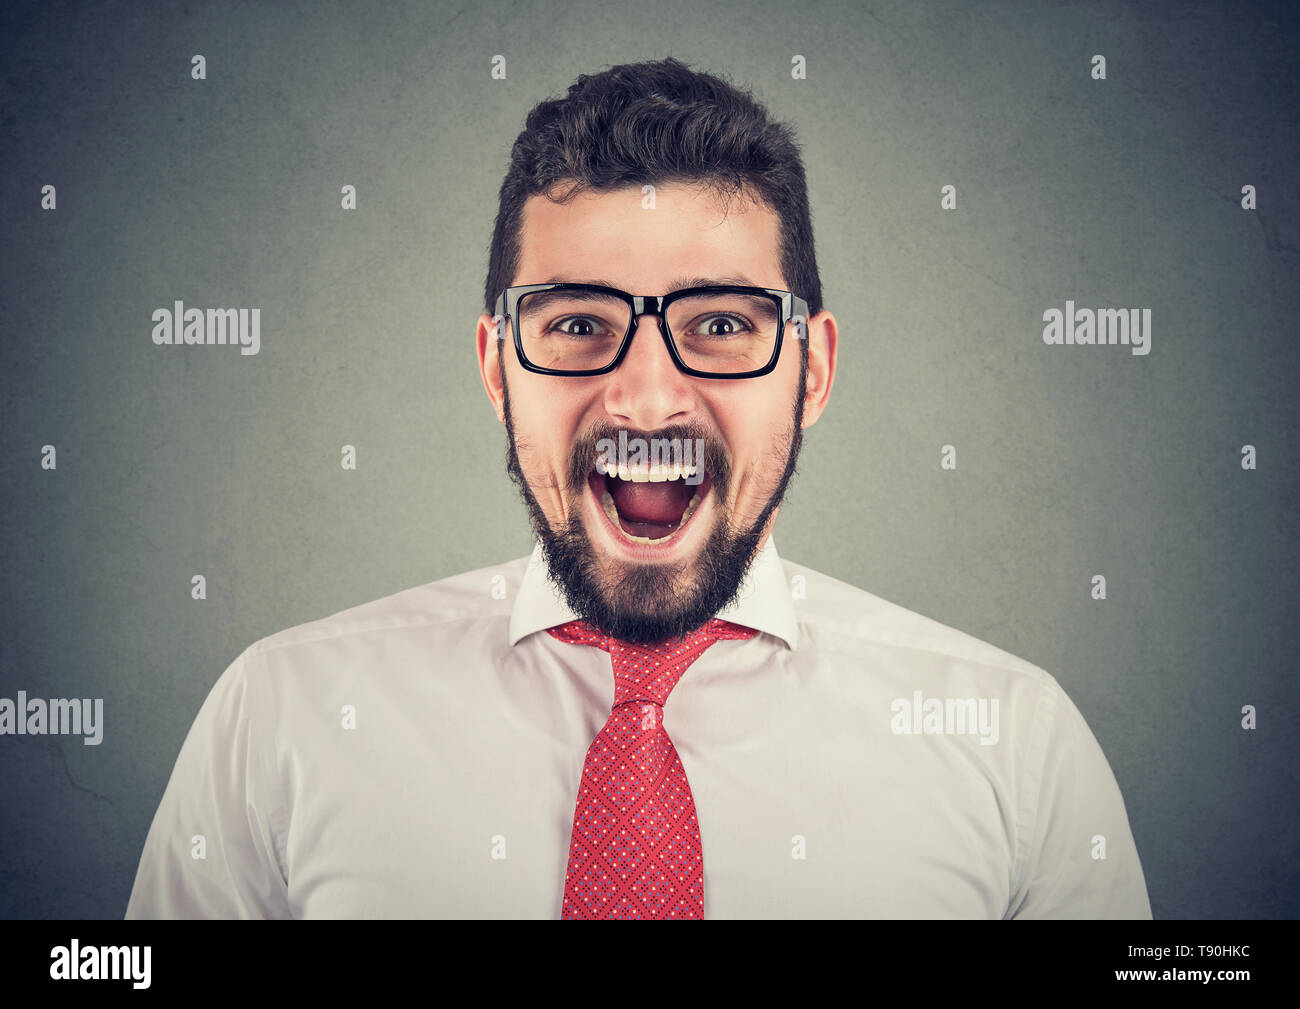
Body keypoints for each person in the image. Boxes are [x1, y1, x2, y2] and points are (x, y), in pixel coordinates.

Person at [126, 57, 1151, 919]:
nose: (649, 397)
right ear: (495, 367)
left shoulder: (1015, 743)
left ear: (814, 370)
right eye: (576, 323)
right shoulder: (280, 721)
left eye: (720, 324)